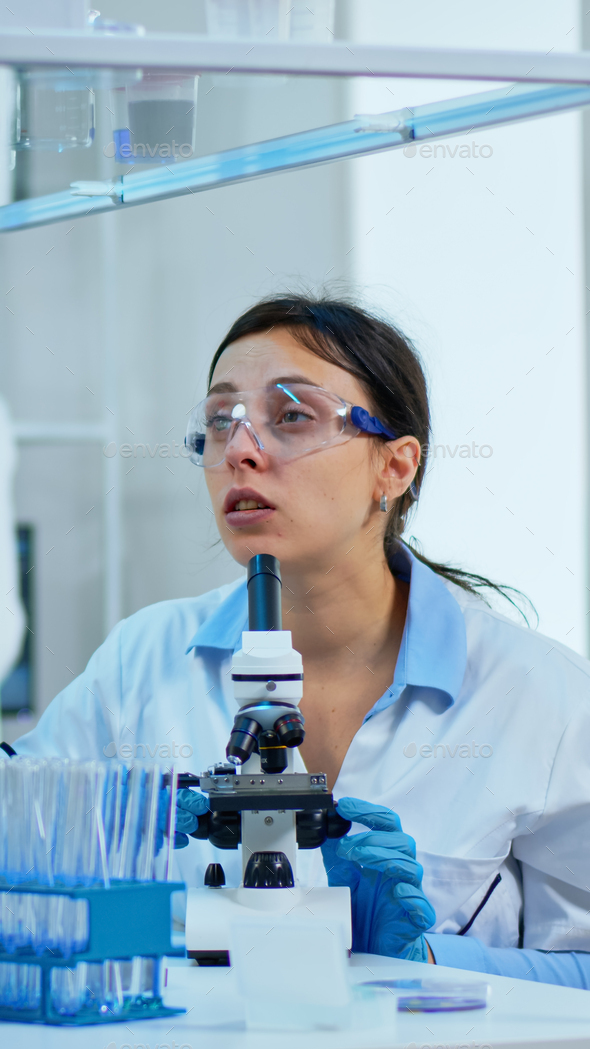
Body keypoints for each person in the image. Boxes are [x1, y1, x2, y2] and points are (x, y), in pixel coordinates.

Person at [7, 295, 590, 985]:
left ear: (395, 468)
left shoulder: (537, 695)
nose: (241, 450)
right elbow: (20, 844)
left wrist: (430, 961)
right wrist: (111, 872)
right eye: (221, 421)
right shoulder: (143, 659)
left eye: (291, 416)